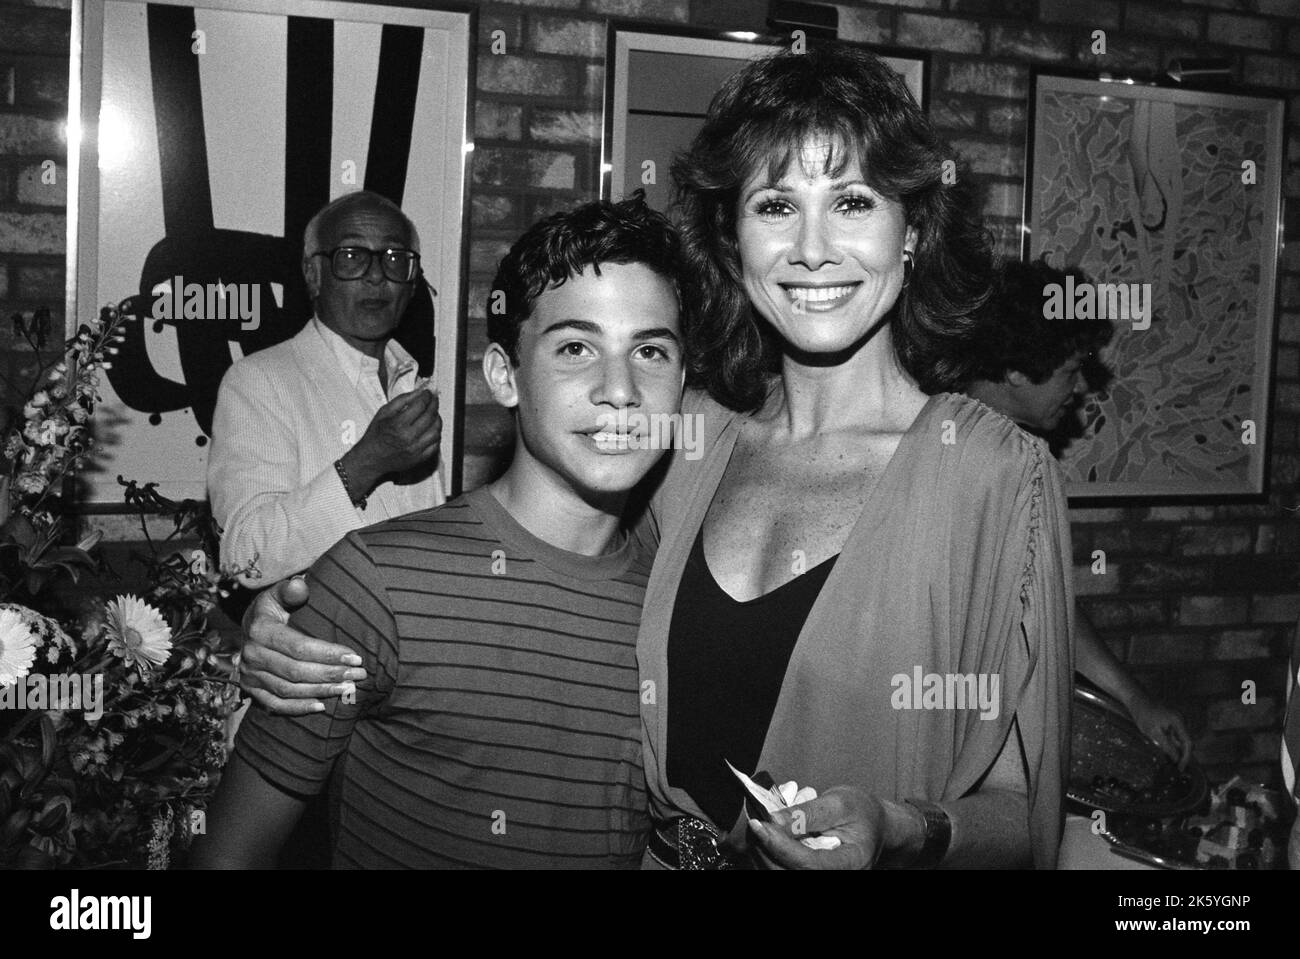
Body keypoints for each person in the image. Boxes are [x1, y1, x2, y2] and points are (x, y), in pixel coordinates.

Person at [236, 44, 1074, 870]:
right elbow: (536, 567)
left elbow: (1020, 814)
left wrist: (899, 827)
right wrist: (289, 617)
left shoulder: (994, 478)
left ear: (915, 229)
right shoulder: (685, 438)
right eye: (776, 206)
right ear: (734, 239)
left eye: (853, 202)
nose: (812, 249)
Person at [192, 194, 688, 868]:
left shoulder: (677, 599)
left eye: (651, 351)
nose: (621, 389)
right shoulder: (266, 389)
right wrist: (337, 604)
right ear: (503, 377)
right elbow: (229, 857)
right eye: (575, 346)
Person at [963, 258, 1192, 768]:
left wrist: (1133, 698)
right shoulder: (1011, 462)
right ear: (1017, 369)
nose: (1080, 389)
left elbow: (1044, 602)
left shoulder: (963, 434)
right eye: (1069, 371)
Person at [207, 190, 444, 588]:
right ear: (313, 274)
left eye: (394, 258)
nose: (376, 275)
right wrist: (365, 463)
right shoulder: (259, 381)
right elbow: (244, 557)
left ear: (413, 281)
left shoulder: (414, 381)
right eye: (351, 256)